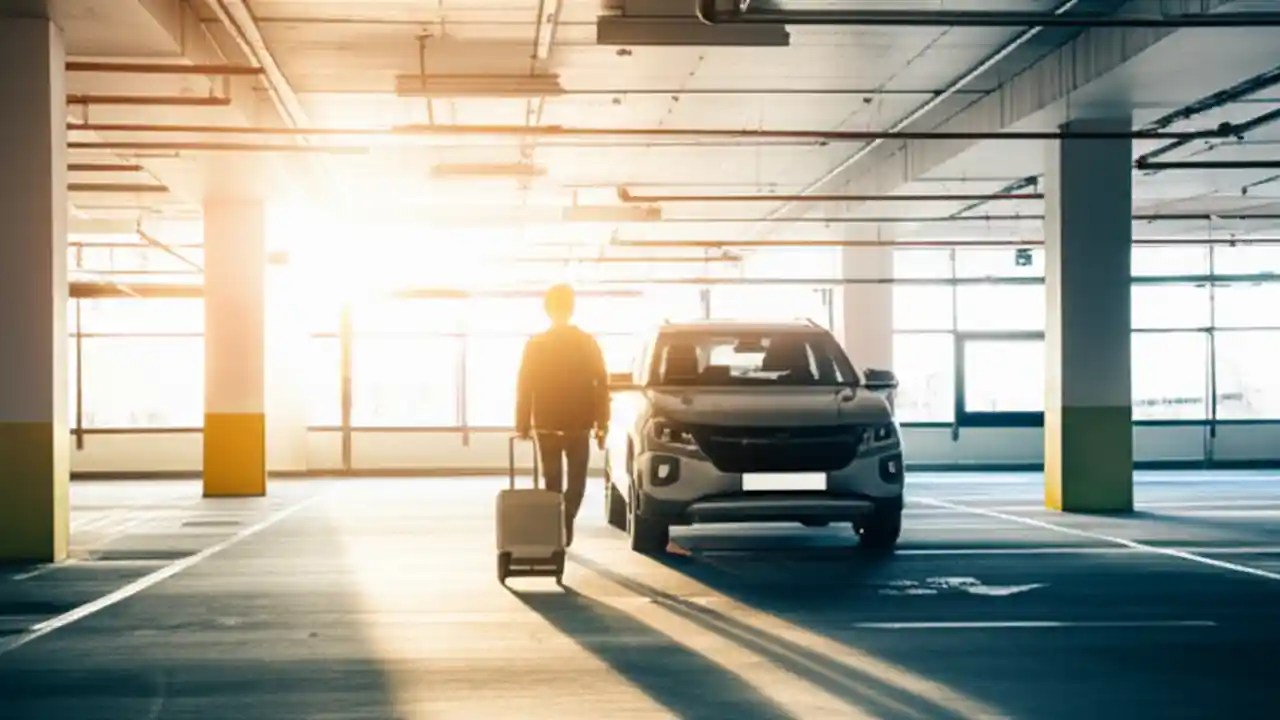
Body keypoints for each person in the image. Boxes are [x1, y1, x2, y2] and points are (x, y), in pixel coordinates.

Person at [515, 284, 609, 547]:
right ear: (572, 308)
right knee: (577, 482)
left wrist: (522, 422)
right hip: (579, 423)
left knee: (552, 481)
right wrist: (602, 422)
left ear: (547, 309)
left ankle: (557, 524)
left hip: (546, 424)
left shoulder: (536, 344)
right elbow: (601, 382)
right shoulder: (586, 342)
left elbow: (525, 384)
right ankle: (567, 516)